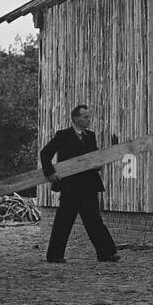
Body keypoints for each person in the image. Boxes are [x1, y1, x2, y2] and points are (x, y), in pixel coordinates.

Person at [40, 103, 121, 264]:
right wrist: (50, 174)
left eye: (89, 117)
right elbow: (45, 153)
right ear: (75, 119)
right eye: (85, 117)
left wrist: (97, 165)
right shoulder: (63, 135)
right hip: (69, 186)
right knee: (64, 220)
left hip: (88, 186)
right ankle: (55, 255)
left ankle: (106, 253)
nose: (88, 120)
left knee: (94, 220)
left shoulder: (90, 136)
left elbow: (93, 158)